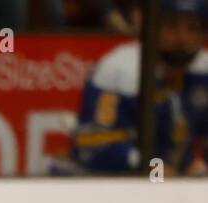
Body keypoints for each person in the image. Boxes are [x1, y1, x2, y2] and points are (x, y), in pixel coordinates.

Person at [71, 0, 208, 174]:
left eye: (194, 29)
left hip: (173, 186)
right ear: (152, 27)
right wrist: (153, 167)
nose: (182, 38)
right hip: (111, 185)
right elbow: (92, 145)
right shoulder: (120, 69)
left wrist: (200, 166)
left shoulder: (204, 71)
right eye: (172, 26)